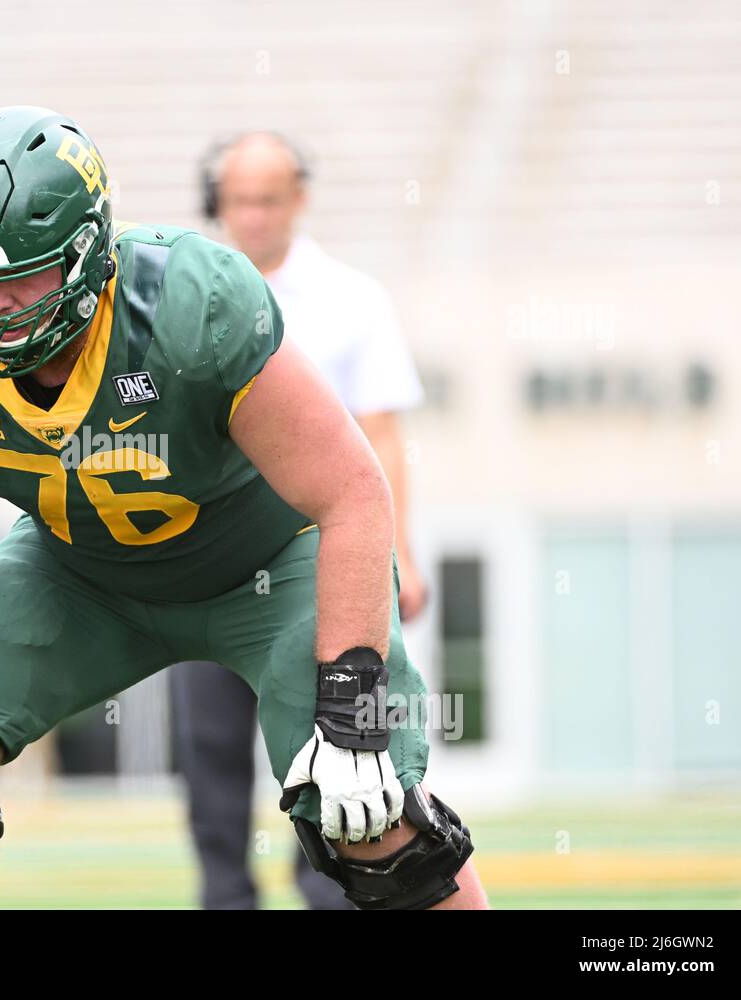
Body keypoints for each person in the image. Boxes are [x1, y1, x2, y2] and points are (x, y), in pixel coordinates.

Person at [0, 105, 486, 910]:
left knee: (369, 815)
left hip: (269, 566)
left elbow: (353, 492)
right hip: (79, 573)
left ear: (88, 255)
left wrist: (356, 704)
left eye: (18, 279)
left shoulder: (192, 302)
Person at [172, 131, 429, 909]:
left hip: (315, 561)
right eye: (238, 199)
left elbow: (381, 436)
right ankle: (223, 897)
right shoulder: (175, 296)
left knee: (331, 738)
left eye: (268, 198)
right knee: (209, 750)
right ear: (217, 203)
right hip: (204, 561)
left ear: (299, 199)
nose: (252, 215)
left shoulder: (352, 298)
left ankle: (328, 893)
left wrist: (402, 555)